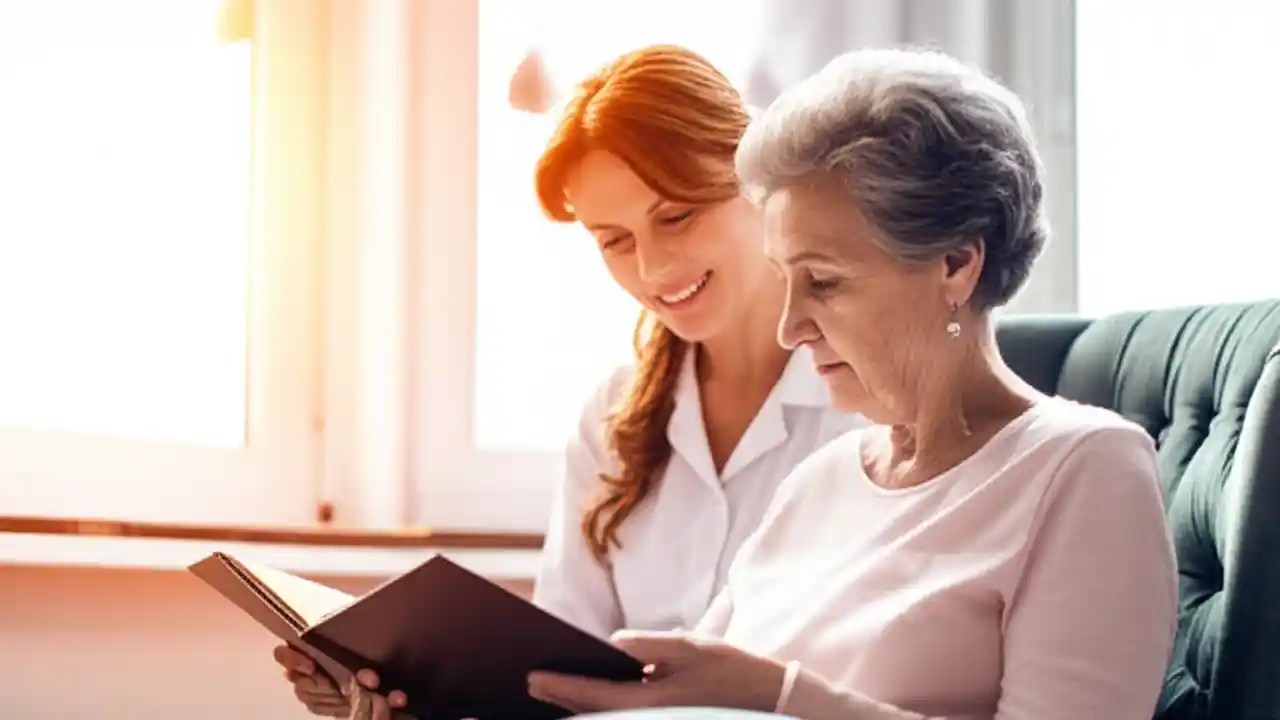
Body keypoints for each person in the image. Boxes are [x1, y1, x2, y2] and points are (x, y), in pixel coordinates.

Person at [524, 48, 1179, 719]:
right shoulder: (823, 481)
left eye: (825, 283)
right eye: (786, 274)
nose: (789, 328)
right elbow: (677, 699)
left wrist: (779, 695)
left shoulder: (1086, 468)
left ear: (956, 263)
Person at [273, 44, 864, 718]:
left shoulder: (870, 399)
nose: (654, 268)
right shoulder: (613, 415)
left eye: (676, 217)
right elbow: (552, 677)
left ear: (761, 183)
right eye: (614, 240)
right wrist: (411, 694)